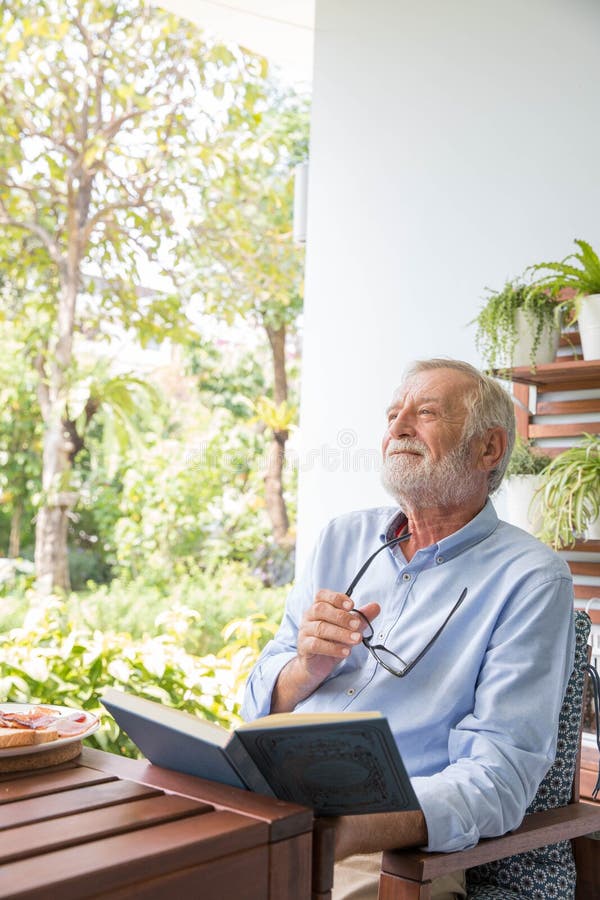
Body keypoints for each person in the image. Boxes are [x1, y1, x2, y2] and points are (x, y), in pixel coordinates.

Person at [242, 358, 575, 900]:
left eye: (424, 413)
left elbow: (499, 777)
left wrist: (349, 826)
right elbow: (259, 702)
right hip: (271, 804)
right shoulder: (341, 539)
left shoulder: (532, 579)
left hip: (390, 852)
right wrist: (305, 669)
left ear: (488, 449)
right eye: (393, 414)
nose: (397, 428)